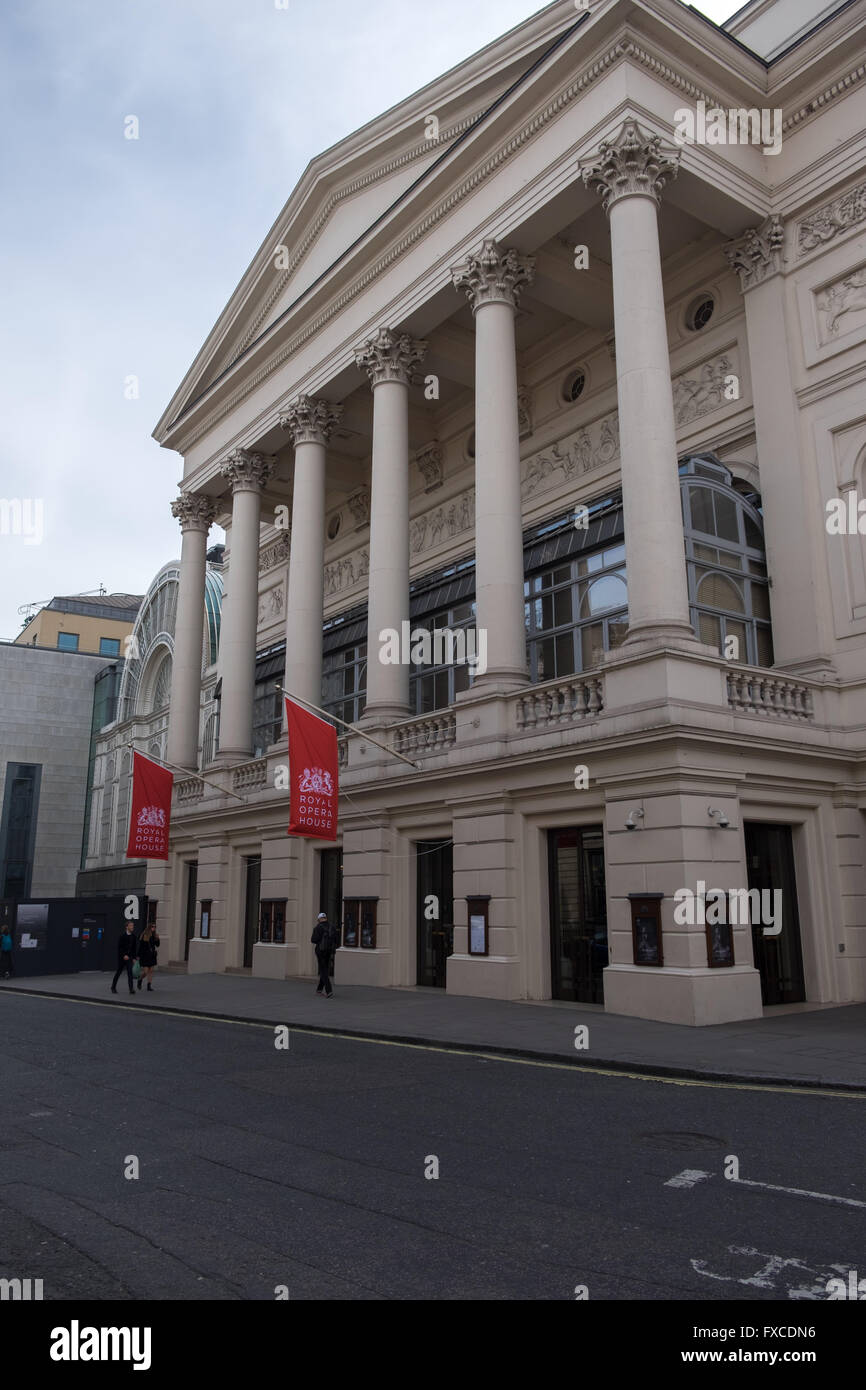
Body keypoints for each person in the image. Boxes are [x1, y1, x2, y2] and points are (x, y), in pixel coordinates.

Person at [311, 912, 338, 998]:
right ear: (326, 918)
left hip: (320, 951)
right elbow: (336, 939)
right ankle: (319, 989)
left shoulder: (318, 927)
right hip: (329, 951)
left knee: (323, 971)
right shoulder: (332, 927)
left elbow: (313, 940)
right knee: (325, 968)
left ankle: (329, 990)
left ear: (319, 919)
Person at [111, 920, 138, 996]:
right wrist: (123, 955)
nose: (132, 927)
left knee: (130, 973)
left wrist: (134, 958)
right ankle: (113, 987)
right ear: (127, 927)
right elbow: (119, 948)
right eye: (131, 926)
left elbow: (134, 948)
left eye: (133, 926)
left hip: (129, 958)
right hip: (122, 958)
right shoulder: (122, 936)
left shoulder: (133, 936)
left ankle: (131, 989)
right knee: (118, 972)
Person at [137, 923, 159, 992]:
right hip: (145, 955)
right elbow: (140, 947)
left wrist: (158, 939)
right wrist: (138, 956)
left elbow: (157, 945)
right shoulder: (144, 935)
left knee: (151, 971)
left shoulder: (154, 935)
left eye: (155, 927)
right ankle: (140, 979)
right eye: (153, 927)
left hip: (152, 955)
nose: (154, 928)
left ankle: (149, 985)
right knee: (146, 972)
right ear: (149, 927)